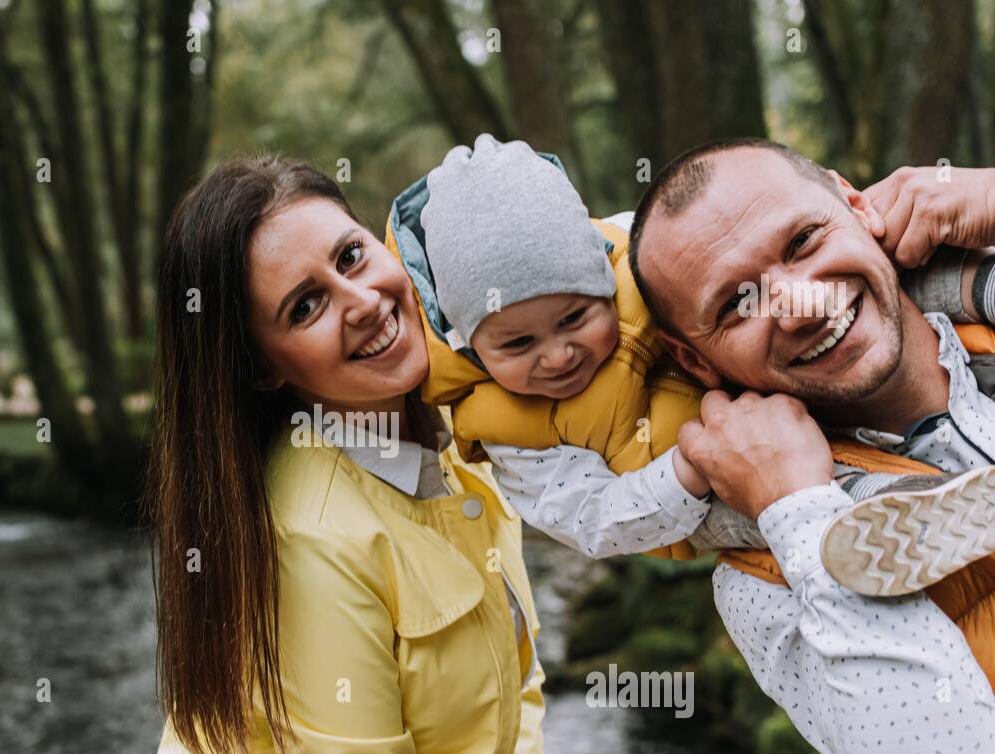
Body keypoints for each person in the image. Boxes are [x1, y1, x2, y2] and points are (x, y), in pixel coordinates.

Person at [515, 137, 995, 754]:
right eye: (739, 303)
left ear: (856, 204)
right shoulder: (764, 575)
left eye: (804, 240)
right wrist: (800, 508)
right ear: (697, 361)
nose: (800, 305)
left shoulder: (978, 292)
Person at [148, 154, 546, 754]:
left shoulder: (459, 437)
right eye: (306, 305)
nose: (361, 301)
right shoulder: (307, 540)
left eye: (351, 256)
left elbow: (517, 674)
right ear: (266, 368)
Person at [394, 133, 989, 597]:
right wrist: (685, 473)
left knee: (876, 269)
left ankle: (981, 284)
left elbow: (728, 212)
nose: (557, 354)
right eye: (517, 346)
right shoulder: (516, 443)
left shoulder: (645, 252)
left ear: (604, 278)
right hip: (695, 488)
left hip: (752, 375)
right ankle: (892, 512)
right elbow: (593, 520)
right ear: (474, 347)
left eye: (574, 319)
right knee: (760, 487)